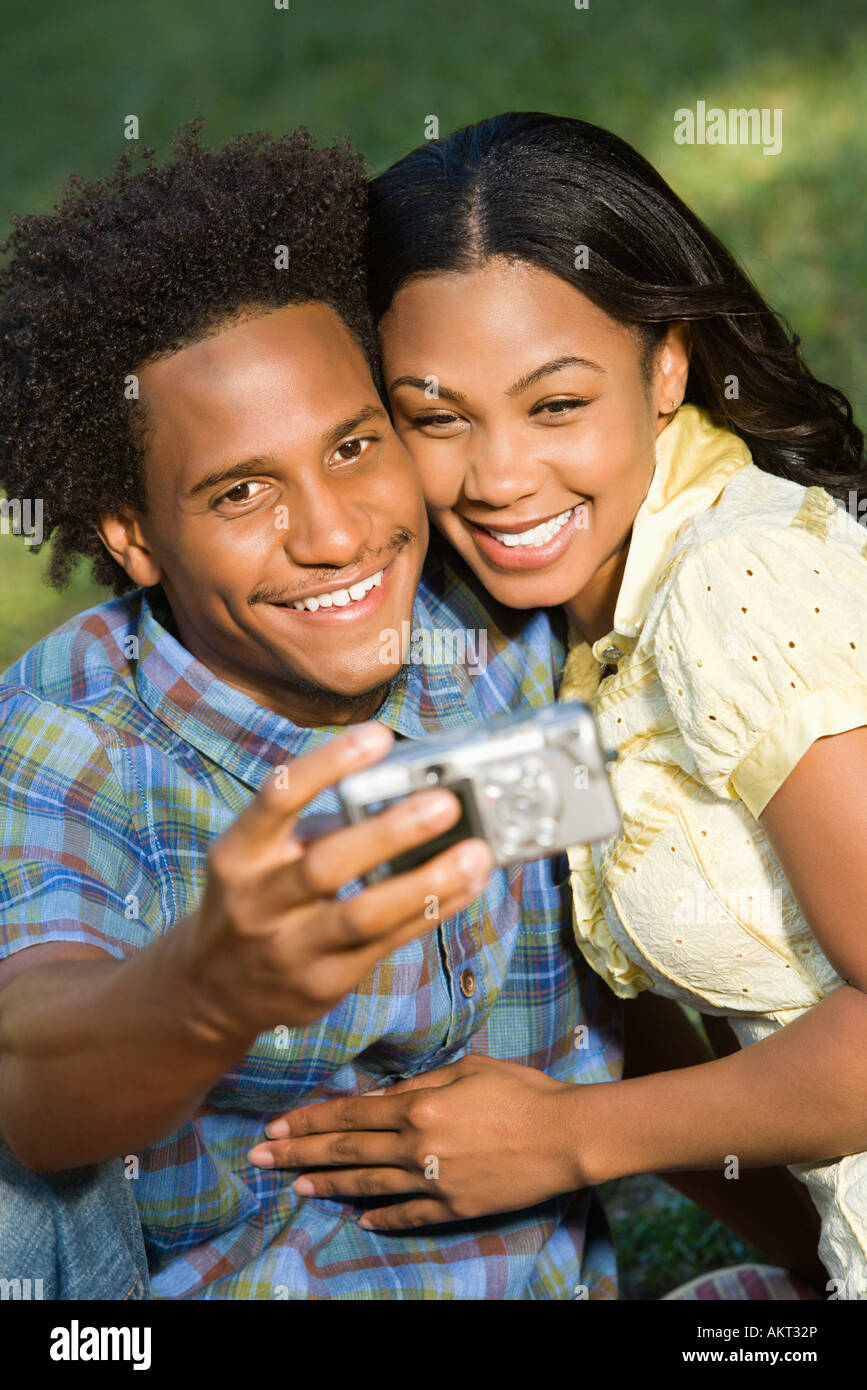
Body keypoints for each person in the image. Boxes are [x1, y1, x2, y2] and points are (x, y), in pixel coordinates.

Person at [0, 120, 626, 1301]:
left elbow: (654, 946)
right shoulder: (71, 735)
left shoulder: (500, 625)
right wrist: (207, 988)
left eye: (353, 446)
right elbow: (36, 1084)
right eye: (242, 491)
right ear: (133, 535)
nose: (336, 535)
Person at [253, 113, 867, 1300]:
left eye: (555, 405)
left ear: (669, 364)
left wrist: (567, 1135)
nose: (499, 478)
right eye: (436, 417)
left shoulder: (731, 587)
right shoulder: (565, 636)